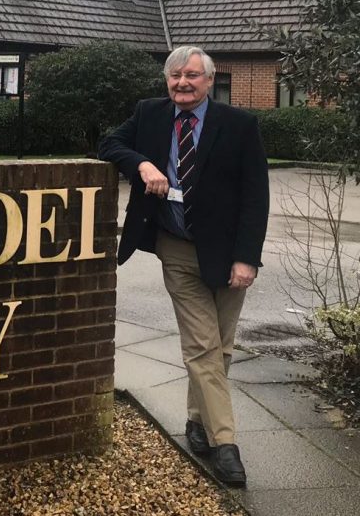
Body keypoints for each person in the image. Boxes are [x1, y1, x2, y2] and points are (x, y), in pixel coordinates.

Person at [98, 45, 269, 487]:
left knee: (221, 348)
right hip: (177, 249)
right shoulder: (150, 114)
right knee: (202, 346)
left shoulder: (239, 125)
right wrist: (143, 164)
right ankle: (226, 444)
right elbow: (109, 143)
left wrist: (247, 258)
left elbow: (256, 197)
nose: (182, 83)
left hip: (229, 253)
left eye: (192, 76)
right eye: (175, 76)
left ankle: (197, 419)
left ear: (210, 81)